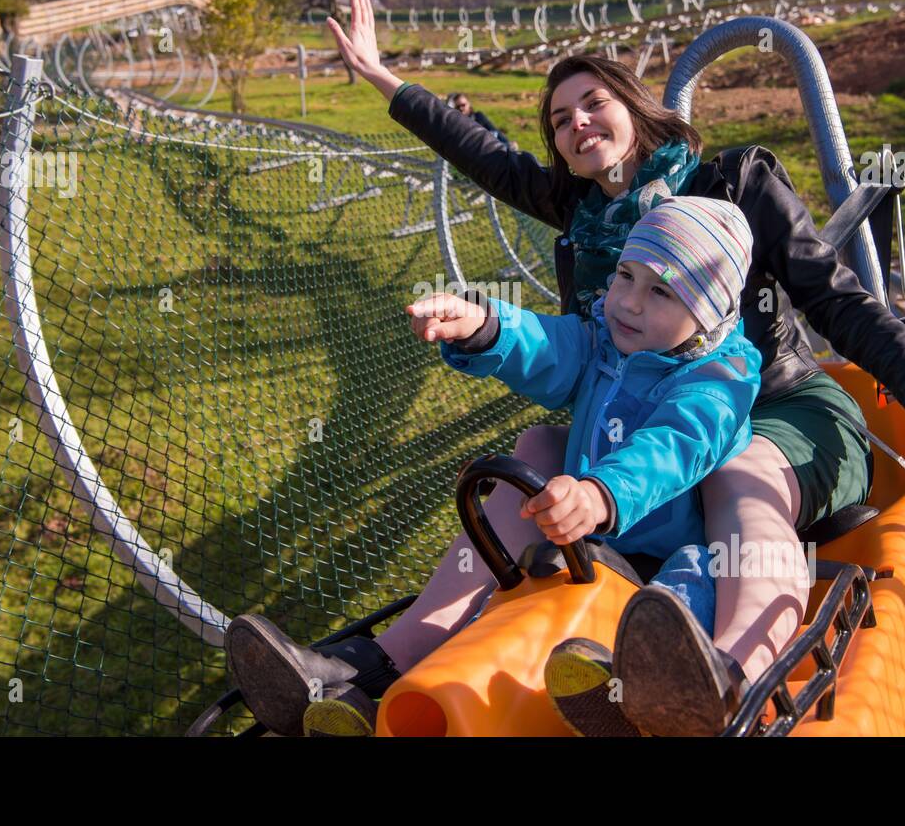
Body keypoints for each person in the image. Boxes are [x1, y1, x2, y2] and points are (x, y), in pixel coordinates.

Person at [225, 0, 905, 738]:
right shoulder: (585, 212)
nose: (578, 122)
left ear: (634, 102)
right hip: (647, 427)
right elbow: (486, 160)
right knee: (527, 454)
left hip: (772, 409)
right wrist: (384, 79)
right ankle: (371, 667)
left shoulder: (733, 185)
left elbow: (834, 296)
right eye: (560, 119)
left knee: (737, 472)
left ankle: (735, 676)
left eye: (593, 102)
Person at [224, 197, 763, 736]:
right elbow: (550, 346)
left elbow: (676, 444)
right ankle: (375, 674)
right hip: (584, 547)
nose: (630, 302)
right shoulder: (605, 340)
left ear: (708, 315)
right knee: (527, 493)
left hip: (656, 553)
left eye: (661, 291)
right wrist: (486, 325)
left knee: (699, 569)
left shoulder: (720, 377)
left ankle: (650, 687)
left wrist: (603, 493)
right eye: (625, 275)